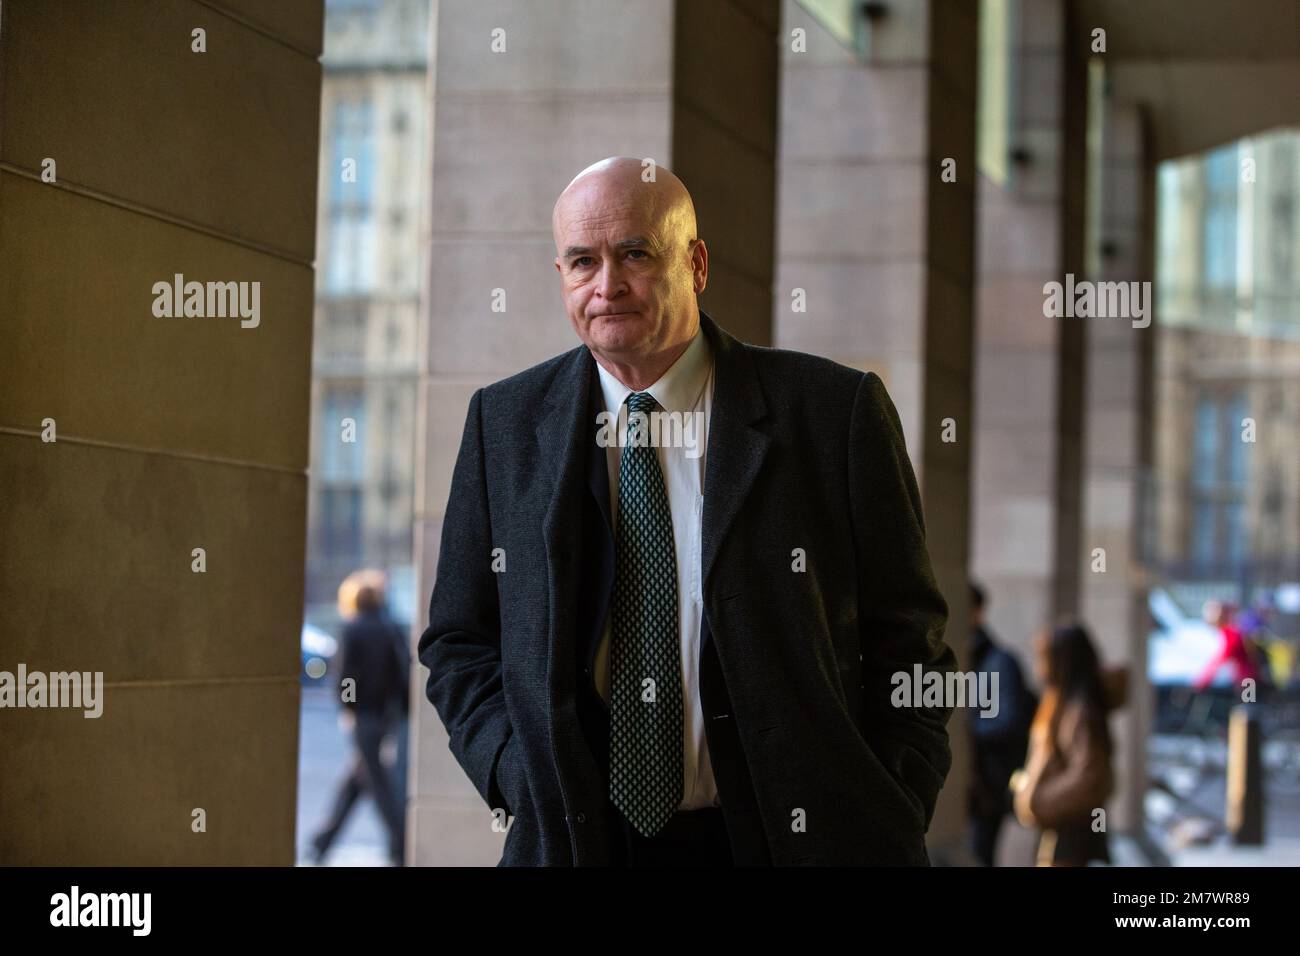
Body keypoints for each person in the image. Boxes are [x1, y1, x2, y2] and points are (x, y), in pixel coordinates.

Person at [418, 156, 956, 866]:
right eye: (583, 262)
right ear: (562, 278)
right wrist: (521, 777)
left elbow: (910, 636)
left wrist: (891, 797)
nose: (607, 286)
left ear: (696, 264)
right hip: (580, 845)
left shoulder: (832, 415)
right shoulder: (505, 423)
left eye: (635, 254)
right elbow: (458, 641)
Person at [309, 570, 411, 866]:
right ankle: (322, 843)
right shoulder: (390, 627)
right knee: (358, 779)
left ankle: (401, 843)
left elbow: (346, 679)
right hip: (385, 716)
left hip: (365, 717)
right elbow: (402, 675)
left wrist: (350, 709)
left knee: (376, 782)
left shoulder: (354, 629)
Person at [1012, 619, 1115, 866]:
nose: (1039, 668)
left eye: (1044, 657)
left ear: (1062, 661)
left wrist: (1037, 799)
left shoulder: (1079, 711)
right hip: (1064, 827)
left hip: (1072, 830)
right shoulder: (1064, 703)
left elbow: (1089, 774)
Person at [966, 581, 1037, 866]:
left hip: (985, 787)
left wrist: (963, 733)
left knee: (977, 855)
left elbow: (1008, 721)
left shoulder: (999, 662)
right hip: (969, 785)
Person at [1194, 599, 1261, 693]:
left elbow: (1222, 657)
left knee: (1247, 704)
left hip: (1246, 680)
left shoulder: (1231, 633)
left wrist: (1203, 681)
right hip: (1243, 679)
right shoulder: (1227, 632)